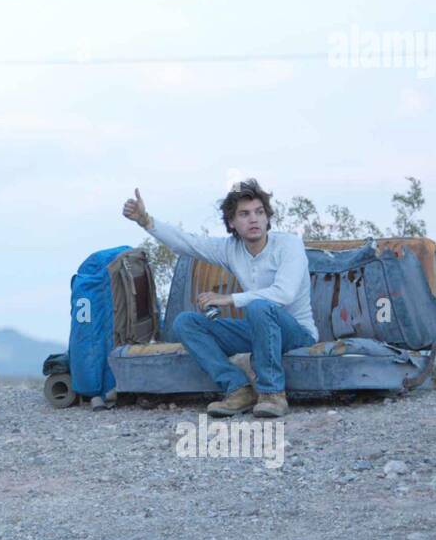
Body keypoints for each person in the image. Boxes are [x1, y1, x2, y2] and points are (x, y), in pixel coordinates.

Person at [121, 179, 318, 418]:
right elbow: (188, 243)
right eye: (244, 214)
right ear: (232, 223)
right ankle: (237, 389)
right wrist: (145, 220)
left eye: (259, 212)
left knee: (259, 307)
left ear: (267, 217)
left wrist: (229, 299)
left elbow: (283, 294)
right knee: (186, 323)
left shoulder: (289, 245)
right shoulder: (231, 248)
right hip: (257, 329)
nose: (253, 219)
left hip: (296, 333)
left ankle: (272, 394)